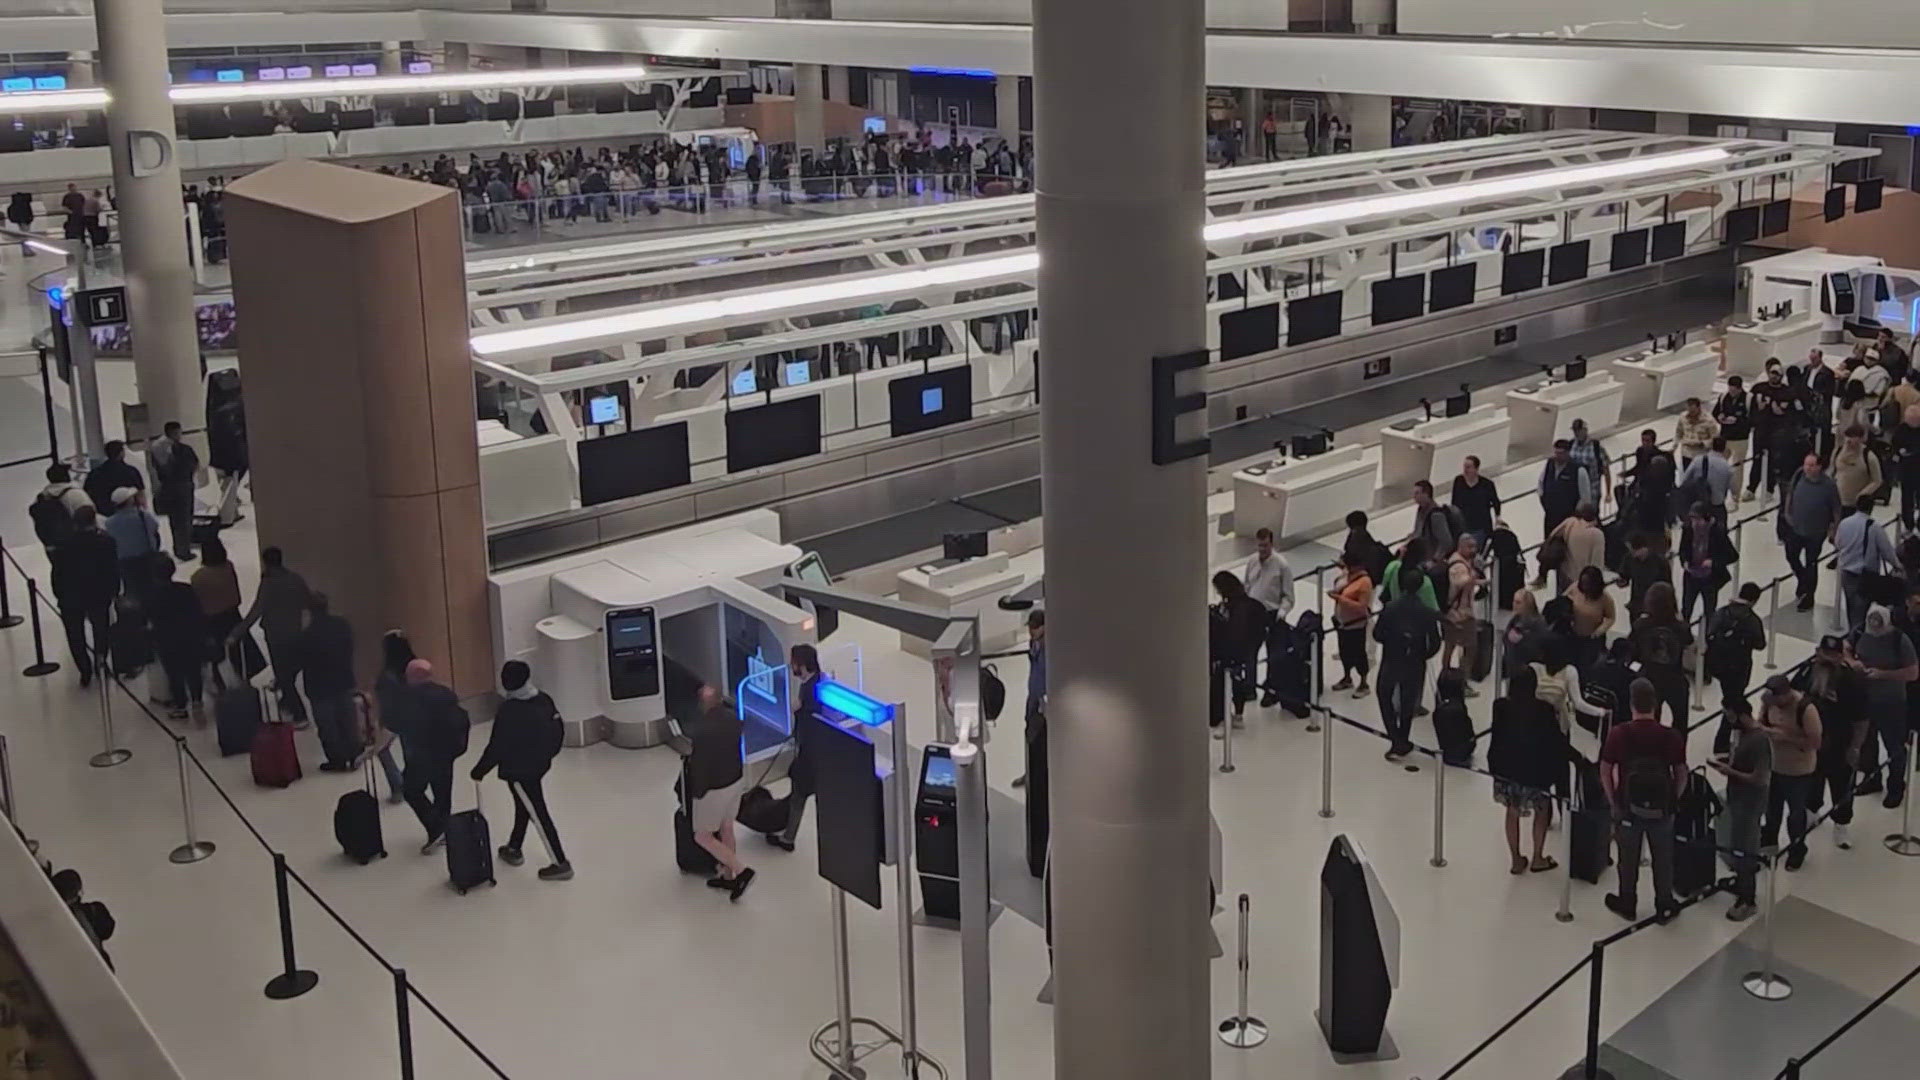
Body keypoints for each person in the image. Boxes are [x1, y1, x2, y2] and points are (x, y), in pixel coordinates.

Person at [471, 660, 572, 881]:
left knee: (537, 812)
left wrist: (479, 771)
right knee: (523, 805)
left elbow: (497, 747)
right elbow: (558, 731)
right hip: (540, 764)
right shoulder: (544, 699)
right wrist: (547, 756)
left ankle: (560, 862)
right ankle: (514, 846)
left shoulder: (509, 711)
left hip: (521, 770)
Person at [1600, 677, 1688, 922]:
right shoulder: (1670, 735)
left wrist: (1614, 801)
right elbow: (1681, 773)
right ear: (1656, 704)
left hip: (1627, 807)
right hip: (1662, 809)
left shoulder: (1619, 733)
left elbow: (1605, 770)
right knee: (1663, 858)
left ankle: (1627, 901)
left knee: (1627, 858)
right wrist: (1673, 799)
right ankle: (1664, 903)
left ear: (1631, 704)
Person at [1489, 666, 1570, 875]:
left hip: (1506, 769)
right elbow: (1554, 741)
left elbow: (1496, 737)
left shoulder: (1500, 706)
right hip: (1536, 771)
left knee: (1512, 811)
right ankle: (1538, 857)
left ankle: (1516, 859)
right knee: (1541, 811)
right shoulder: (1543, 709)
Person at [685, 684, 755, 900]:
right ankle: (728, 877)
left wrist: (697, 792)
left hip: (714, 788)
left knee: (702, 836)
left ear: (703, 703)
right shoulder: (734, 719)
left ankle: (741, 870)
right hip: (735, 780)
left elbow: (700, 766)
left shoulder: (701, 730)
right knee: (726, 828)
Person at [1799, 635, 1867, 848]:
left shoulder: (1851, 681)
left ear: (1840, 657)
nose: (1827, 659)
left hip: (1840, 742)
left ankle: (1841, 825)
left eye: (1833, 655)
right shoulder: (1807, 672)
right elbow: (1795, 696)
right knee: (1812, 779)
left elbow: (1862, 719)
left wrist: (1855, 746)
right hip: (1812, 740)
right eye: (1824, 653)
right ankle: (1811, 812)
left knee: (1842, 786)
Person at [1708, 699, 1771, 922]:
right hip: (1737, 799)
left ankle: (1748, 899)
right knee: (1736, 845)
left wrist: (1729, 772)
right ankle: (1741, 882)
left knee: (1746, 849)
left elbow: (1759, 777)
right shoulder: (1741, 734)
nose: (1727, 720)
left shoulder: (1759, 739)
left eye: (1729, 715)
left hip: (1750, 803)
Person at [234, 546, 312, 725]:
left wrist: (238, 632)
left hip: (276, 636)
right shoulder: (295, 579)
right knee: (291, 668)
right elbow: (308, 601)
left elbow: (256, 610)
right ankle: (286, 698)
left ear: (266, 563)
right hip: (295, 631)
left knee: (283, 674)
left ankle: (299, 715)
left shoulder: (269, 584)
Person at [1373, 566, 1442, 762]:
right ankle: (1403, 737)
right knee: (1407, 701)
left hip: (1391, 659)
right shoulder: (1427, 613)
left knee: (1384, 694)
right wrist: (1422, 655)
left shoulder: (1390, 608)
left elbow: (1377, 634)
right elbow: (1435, 642)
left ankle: (1395, 737)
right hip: (1415, 663)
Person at [1853, 604, 1917, 810]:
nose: (1873, 626)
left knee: (1894, 746)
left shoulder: (1900, 640)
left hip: (1892, 702)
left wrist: (1882, 674)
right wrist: (1854, 663)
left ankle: (1896, 786)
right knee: (1867, 742)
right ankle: (1872, 779)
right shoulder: (1861, 631)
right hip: (1864, 699)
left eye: (1877, 623)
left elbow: (1912, 673)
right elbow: (1846, 647)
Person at [402, 659, 468, 855]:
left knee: (411, 790)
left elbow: (404, 725)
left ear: (415, 677)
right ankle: (445, 829)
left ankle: (435, 827)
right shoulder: (446, 693)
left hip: (423, 754)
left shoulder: (411, 698)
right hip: (447, 753)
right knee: (443, 793)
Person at [49, 505, 119, 688]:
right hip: (98, 594)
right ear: (94, 519)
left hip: (71, 597)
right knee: (101, 629)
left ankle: (84, 670)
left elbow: (57, 573)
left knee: (75, 635)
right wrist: (113, 590)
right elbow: (113, 569)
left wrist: (58, 593)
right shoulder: (106, 541)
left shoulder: (63, 544)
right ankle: (101, 663)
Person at [1759, 674, 1823, 872]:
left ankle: (1797, 850)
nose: (1774, 703)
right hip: (1773, 766)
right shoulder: (1768, 703)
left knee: (1795, 814)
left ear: (1786, 694)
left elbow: (1815, 743)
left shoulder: (1806, 709)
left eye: (1777, 698)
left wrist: (1786, 737)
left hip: (1798, 771)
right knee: (1771, 810)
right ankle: (1769, 846)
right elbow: (1760, 723)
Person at [767, 643, 826, 850]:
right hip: (816, 752)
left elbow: (810, 726)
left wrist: (798, 710)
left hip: (810, 754)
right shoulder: (818, 682)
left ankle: (788, 838)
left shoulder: (810, 692)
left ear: (801, 664)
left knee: (798, 795)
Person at [190, 538, 262, 694]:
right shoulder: (228, 567)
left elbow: (198, 603)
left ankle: (222, 690)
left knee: (218, 658)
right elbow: (237, 596)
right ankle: (245, 685)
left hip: (211, 621)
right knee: (241, 656)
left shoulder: (198, 577)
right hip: (232, 616)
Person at [299, 592, 360, 772]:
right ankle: (354, 754)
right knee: (348, 719)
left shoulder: (307, 635)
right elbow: (350, 647)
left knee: (327, 726)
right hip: (343, 679)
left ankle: (337, 760)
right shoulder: (342, 625)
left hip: (319, 686)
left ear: (309, 610)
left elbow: (302, 660)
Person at [146, 555, 207, 720]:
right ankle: (197, 701)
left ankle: (181, 705)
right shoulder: (186, 589)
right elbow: (197, 612)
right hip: (190, 636)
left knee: (174, 674)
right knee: (194, 670)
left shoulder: (153, 596)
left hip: (167, 640)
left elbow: (151, 619)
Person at [1780, 454, 1843, 612]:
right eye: (1806, 464)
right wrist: (1787, 512)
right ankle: (1803, 580)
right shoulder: (1799, 474)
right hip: (1796, 527)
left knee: (1811, 563)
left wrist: (1834, 529)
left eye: (1811, 465)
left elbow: (1836, 508)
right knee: (1791, 555)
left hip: (1816, 532)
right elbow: (1790, 492)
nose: (1807, 468)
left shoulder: (1828, 485)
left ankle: (1809, 596)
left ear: (1820, 467)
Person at [1240, 528, 1295, 708]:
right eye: (1259, 545)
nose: (1262, 549)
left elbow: (1288, 596)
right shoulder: (1251, 561)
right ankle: (1249, 688)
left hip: (1272, 615)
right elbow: (1247, 585)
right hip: (1252, 615)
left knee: (1274, 655)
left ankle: (1271, 691)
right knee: (1249, 653)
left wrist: (1281, 613)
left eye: (1265, 545)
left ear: (1272, 544)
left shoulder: (1282, 565)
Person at [1209, 571, 1267, 734]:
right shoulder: (1244, 602)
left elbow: (1234, 631)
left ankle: (1223, 719)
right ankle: (1238, 715)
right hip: (1245, 650)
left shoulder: (1237, 607)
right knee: (1237, 682)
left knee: (1226, 683)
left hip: (1233, 652)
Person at [1629, 582, 1693, 730]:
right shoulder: (1681, 628)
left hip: (1650, 680)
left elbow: (1633, 650)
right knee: (1680, 723)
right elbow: (1688, 642)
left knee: (1649, 723)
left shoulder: (1640, 625)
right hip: (1675, 679)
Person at [1704, 583, 1767, 734]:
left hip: (1719, 664)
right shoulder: (1752, 620)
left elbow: (1709, 633)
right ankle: (1727, 736)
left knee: (1731, 697)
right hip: (1740, 666)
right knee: (1734, 700)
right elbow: (1760, 644)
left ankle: (1734, 729)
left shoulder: (1723, 612)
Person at [1834, 495, 1898, 632]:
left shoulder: (1845, 523)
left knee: (1851, 606)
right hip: (1866, 576)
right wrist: (1898, 565)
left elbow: (1838, 543)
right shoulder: (1874, 527)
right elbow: (1887, 552)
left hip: (1846, 572)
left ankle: (1853, 634)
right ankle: (1857, 639)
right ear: (1871, 508)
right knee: (1861, 610)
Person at [367, 631, 414, 802]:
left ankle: (397, 786)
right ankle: (410, 785)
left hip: (395, 720)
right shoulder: (413, 667)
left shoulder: (387, 677)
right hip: (415, 717)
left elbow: (388, 705)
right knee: (410, 754)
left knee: (382, 750)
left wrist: (381, 726)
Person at [146, 421, 200, 562]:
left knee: (175, 519)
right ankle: (184, 549)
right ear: (175, 432)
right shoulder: (182, 449)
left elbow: (157, 467)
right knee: (185, 518)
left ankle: (179, 546)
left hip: (168, 487)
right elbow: (194, 465)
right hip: (182, 485)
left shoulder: (156, 446)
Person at [1676, 501, 1737, 624]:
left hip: (1710, 578)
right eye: (1693, 519)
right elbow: (1683, 550)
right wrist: (1685, 562)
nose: (1695, 523)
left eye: (1698, 519)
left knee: (1710, 612)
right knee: (1686, 609)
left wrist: (1713, 562)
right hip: (1691, 575)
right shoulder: (1688, 529)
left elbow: (1732, 555)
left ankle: (1709, 638)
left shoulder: (1718, 531)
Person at [1440, 535, 1484, 692]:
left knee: (1450, 645)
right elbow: (1463, 582)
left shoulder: (1456, 560)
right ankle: (1462, 682)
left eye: (1474, 546)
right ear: (1460, 546)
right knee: (1470, 647)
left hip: (1451, 613)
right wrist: (1477, 575)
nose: (1473, 550)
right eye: (1469, 547)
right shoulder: (1458, 566)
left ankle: (1445, 676)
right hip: (1461, 614)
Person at [102, 488, 161, 601]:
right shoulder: (143, 516)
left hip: (124, 562)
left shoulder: (108, 523)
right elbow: (154, 528)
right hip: (146, 558)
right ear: (129, 501)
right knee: (150, 589)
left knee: (132, 590)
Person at [1328, 553, 1373, 696]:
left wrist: (1339, 599)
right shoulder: (1346, 575)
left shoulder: (1365, 582)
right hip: (1342, 623)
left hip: (1356, 624)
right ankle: (1347, 677)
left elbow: (1362, 607)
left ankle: (1364, 683)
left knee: (1359, 653)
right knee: (1344, 651)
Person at [1748, 364, 1794, 498]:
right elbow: (1751, 407)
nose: (1774, 376)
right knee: (1757, 459)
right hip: (1760, 430)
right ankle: (1751, 487)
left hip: (1777, 432)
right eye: (1772, 373)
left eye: (1777, 374)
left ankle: (1769, 488)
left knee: (1773, 461)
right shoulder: (1759, 388)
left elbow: (1783, 412)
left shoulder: (1786, 392)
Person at [1538, 440, 1591, 547]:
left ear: (1568, 453)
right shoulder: (1549, 465)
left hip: (1569, 518)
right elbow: (1541, 485)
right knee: (1550, 545)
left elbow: (1585, 497)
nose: (1558, 456)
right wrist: (1544, 502)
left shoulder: (1578, 470)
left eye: (1561, 453)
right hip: (1550, 516)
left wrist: (1575, 516)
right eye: (1556, 453)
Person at [1546, 501, 1605, 594]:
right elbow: (1597, 563)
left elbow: (1552, 536)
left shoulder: (1570, 522)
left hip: (1564, 574)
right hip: (1583, 581)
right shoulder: (1597, 534)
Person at [1563, 565, 1616, 669]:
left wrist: (1600, 630)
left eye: (1588, 584)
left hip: (1591, 639)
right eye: (1583, 583)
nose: (1585, 586)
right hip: (1573, 634)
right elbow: (1563, 599)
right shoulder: (1575, 587)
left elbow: (1611, 617)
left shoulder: (1605, 598)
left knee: (1586, 666)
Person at [32, 462, 91, 551]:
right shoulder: (76, 494)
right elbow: (91, 516)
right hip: (76, 544)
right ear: (66, 476)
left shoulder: (41, 497)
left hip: (53, 547)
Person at [1714, 376, 1752, 506]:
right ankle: (1718, 493)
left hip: (1740, 438)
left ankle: (1735, 497)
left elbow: (1753, 419)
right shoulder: (1724, 397)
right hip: (1725, 437)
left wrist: (1737, 420)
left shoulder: (1748, 399)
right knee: (1719, 466)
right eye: (1730, 389)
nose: (1731, 392)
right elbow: (1715, 412)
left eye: (1734, 390)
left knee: (1737, 469)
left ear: (1740, 388)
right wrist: (1720, 417)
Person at [1679, 437, 1734, 526]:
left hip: (1697, 503)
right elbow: (1732, 488)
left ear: (1712, 446)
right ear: (1724, 448)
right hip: (1717, 504)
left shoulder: (1698, 460)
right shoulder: (1727, 467)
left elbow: (1685, 479)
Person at [1619, 531, 1671, 623]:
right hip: (1637, 602)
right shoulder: (1629, 559)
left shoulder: (1659, 562)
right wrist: (1621, 581)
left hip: (1655, 604)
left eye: (1631, 548)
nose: (1630, 551)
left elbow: (1668, 586)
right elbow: (1625, 576)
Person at [1830, 424, 1884, 509]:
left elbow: (1877, 481)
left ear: (1861, 439)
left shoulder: (1869, 456)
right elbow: (1832, 471)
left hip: (1857, 503)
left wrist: (1863, 494)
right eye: (1847, 437)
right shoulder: (1838, 451)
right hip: (1837, 500)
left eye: (1853, 437)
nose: (1849, 440)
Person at [1450, 454, 1501, 542]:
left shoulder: (1487, 485)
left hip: (1480, 526)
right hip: (1462, 526)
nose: (1465, 470)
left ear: (1476, 469)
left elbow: (1496, 502)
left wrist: (1497, 518)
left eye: (1469, 467)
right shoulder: (1459, 481)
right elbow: (1454, 502)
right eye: (1465, 467)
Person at [83, 440, 143, 515]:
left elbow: (87, 494)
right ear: (121, 453)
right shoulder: (131, 471)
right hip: (129, 514)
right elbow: (140, 495)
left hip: (103, 515)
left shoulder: (94, 473)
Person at [1567, 418, 1610, 507]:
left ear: (1585, 430)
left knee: (1590, 515)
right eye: (1575, 430)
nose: (1576, 433)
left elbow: (1606, 470)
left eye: (1579, 430)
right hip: (1574, 489)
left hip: (1592, 489)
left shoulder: (1596, 447)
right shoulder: (1571, 445)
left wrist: (1608, 492)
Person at [1409, 480, 1455, 561]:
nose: (1414, 496)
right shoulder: (1420, 510)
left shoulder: (1436, 515)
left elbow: (1446, 542)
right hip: (1422, 556)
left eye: (1417, 493)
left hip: (1431, 558)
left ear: (1426, 494)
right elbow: (1418, 531)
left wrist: (1435, 559)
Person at [1893, 405, 1920, 533]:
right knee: (1907, 498)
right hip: (1907, 470)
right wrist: (1899, 452)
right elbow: (1895, 445)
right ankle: (1908, 522)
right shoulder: (1901, 429)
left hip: (1915, 468)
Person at [1674, 397, 1718, 473]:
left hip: (1701, 454)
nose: (1691, 414)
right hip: (1686, 454)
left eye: (1693, 411)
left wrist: (1702, 443)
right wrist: (1674, 446)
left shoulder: (1709, 420)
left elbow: (1715, 438)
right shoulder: (1683, 417)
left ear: (1699, 408)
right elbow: (1678, 432)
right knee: (1688, 477)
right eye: (1689, 411)